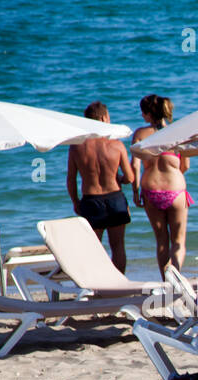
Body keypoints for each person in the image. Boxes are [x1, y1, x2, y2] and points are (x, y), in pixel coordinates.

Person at [66, 102, 134, 272]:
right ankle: (118, 286)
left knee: (94, 248)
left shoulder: (76, 147)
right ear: (104, 118)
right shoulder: (116, 145)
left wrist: (75, 201)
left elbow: (71, 179)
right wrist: (119, 178)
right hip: (115, 197)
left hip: (91, 199)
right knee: (118, 246)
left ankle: (99, 284)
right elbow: (130, 177)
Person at [131, 95, 192, 277]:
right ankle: (177, 277)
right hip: (175, 190)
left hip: (151, 190)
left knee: (162, 242)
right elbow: (186, 166)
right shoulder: (177, 132)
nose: (142, 116)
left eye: (143, 112)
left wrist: (135, 191)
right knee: (178, 241)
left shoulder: (140, 134)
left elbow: (135, 165)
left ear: (149, 114)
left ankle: (166, 280)